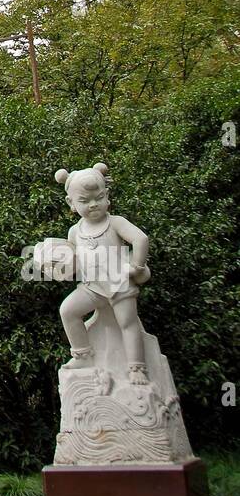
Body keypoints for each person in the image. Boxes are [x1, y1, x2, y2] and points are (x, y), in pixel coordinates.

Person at [54, 162, 150, 384]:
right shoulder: (75, 231)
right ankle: (83, 354)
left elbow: (140, 239)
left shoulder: (115, 223)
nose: (93, 204)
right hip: (92, 286)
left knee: (128, 322)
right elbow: (73, 260)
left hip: (118, 284)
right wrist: (55, 263)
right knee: (68, 311)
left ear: (106, 195)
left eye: (98, 197)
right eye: (84, 201)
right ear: (71, 203)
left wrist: (136, 267)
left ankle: (137, 367)